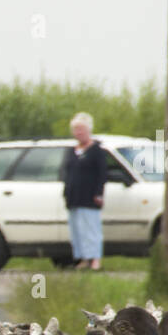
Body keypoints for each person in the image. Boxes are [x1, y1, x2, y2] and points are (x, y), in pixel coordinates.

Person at [61, 111, 107, 270]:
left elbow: (102, 174)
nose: (78, 133)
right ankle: (82, 259)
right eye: (76, 129)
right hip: (74, 196)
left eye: (81, 129)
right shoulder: (71, 151)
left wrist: (99, 193)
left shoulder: (97, 151)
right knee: (77, 230)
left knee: (91, 228)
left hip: (90, 197)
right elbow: (66, 172)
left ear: (89, 130)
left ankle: (95, 259)